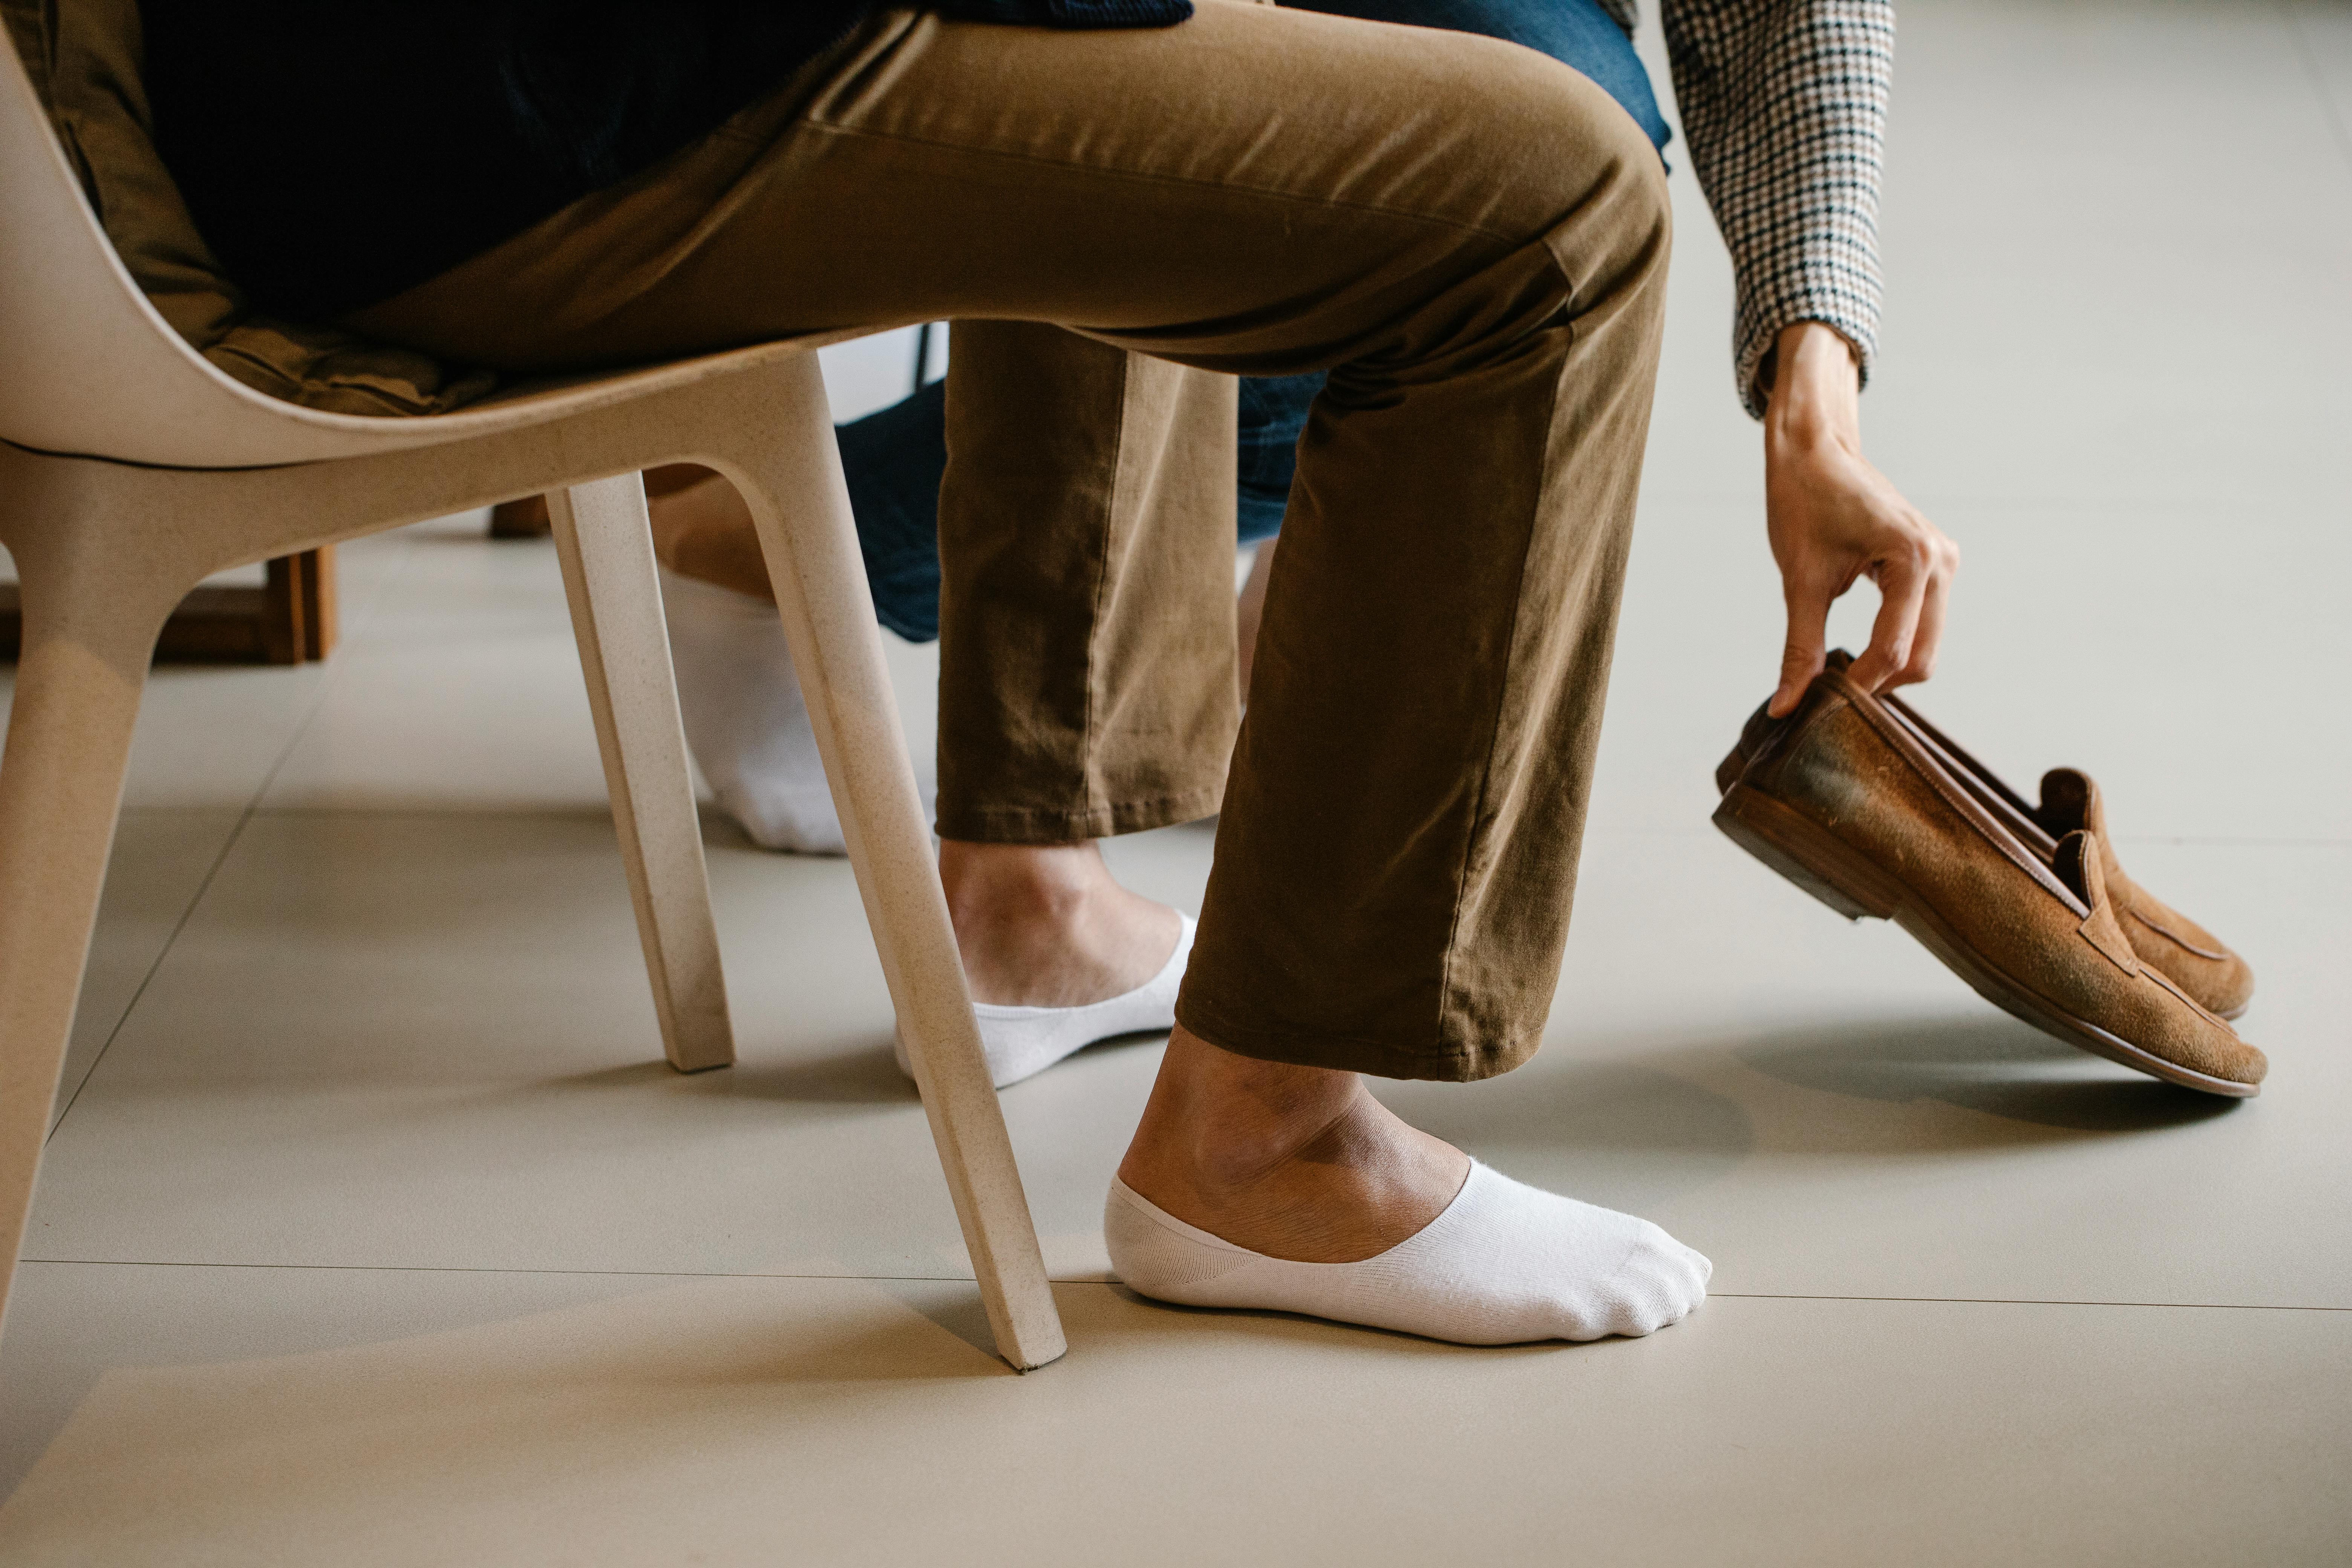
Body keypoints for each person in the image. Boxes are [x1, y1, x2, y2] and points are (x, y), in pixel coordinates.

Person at [137, 0, 1953, 1344]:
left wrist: (1819, 372)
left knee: (1369, 80)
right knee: (1543, 212)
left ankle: (1032, 881)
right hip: (491, 103)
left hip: (409, 86)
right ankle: (1270, 1132)